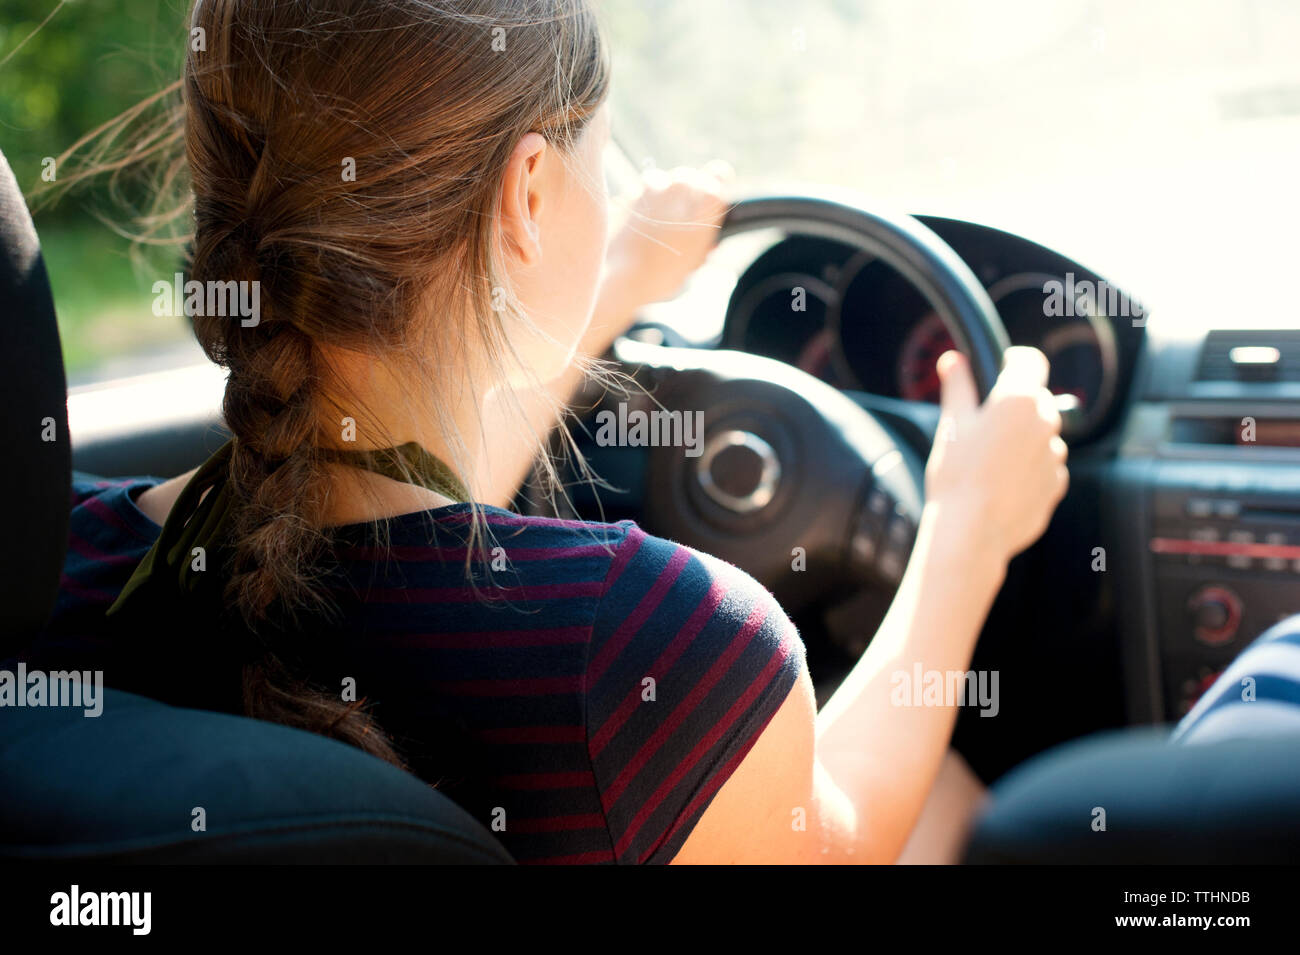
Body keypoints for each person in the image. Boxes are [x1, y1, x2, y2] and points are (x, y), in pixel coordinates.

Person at [36, 0, 1067, 864]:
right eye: (596, 162)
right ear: (529, 193)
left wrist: (612, 283)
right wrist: (966, 532)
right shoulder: (642, 645)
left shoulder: (48, 574)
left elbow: (396, 524)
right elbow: (833, 841)